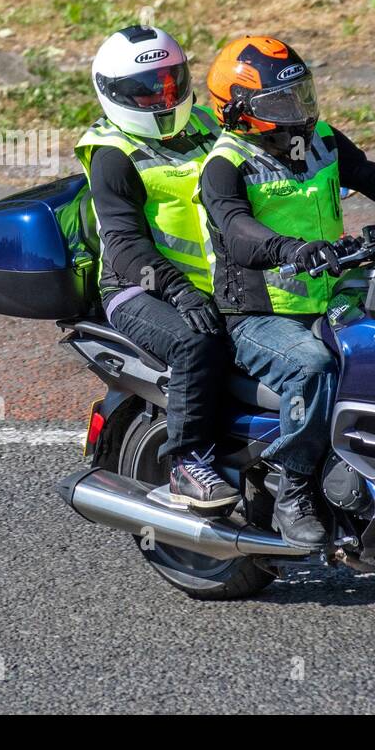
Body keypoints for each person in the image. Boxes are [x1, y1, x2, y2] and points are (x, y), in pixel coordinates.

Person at [201, 36, 375, 547]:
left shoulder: (321, 138)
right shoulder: (224, 166)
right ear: (238, 112)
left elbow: (374, 177)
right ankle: (294, 488)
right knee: (313, 367)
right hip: (260, 312)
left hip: (333, 290)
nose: (296, 113)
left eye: (300, 96)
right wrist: (291, 250)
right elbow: (237, 231)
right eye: (279, 104)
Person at [74, 26, 238, 512]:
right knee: (195, 341)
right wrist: (180, 292)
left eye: (170, 82)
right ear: (115, 93)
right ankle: (187, 463)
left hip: (219, 281)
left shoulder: (207, 126)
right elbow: (124, 246)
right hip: (138, 289)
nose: (163, 97)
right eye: (147, 88)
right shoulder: (112, 154)